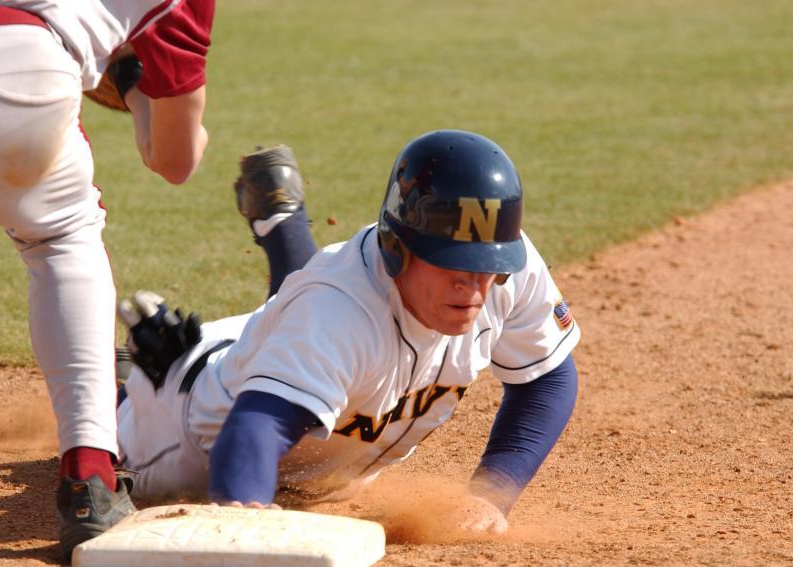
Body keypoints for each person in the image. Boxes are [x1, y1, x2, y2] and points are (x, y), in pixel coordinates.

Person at [116, 130, 580, 534]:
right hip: (192, 436)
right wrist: (246, 522)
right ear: (396, 248)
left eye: (487, 267)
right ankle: (132, 384)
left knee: (315, 339)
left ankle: (283, 226)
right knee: (111, 442)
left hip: (305, 359)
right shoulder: (336, 312)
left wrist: (490, 495)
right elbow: (254, 428)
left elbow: (549, 379)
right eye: (453, 263)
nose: (473, 285)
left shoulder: (508, 267)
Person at [0, 0, 215, 559]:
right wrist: (134, 85)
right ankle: (91, 477)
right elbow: (174, 160)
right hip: (22, 75)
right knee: (64, 239)